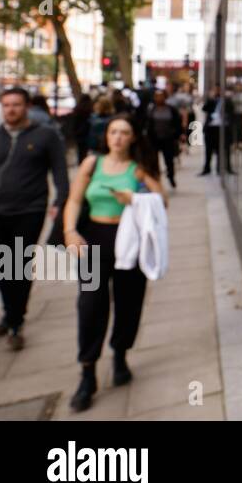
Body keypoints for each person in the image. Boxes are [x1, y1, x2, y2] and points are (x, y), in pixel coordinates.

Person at [61, 114, 166, 411]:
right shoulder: (91, 164)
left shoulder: (139, 168)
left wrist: (134, 197)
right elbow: (75, 200)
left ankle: (120, 354)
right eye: (113, 132)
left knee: (129, 301)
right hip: (93, 239)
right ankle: (88, 371)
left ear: (133, 137)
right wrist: (70, 231)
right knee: (90, 304)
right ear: (106, 136)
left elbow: (162, 200)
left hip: (128, 242)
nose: (118, 137)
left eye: (124, 132)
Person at [0, 87, 70, 350]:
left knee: (18, 265)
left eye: (16, 105)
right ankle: (9, 312)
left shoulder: (45, 135)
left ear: (27, 106)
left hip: (29, 209)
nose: (10, 110)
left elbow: (60, 170)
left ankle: (16, 321)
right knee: (2, 267)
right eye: (6, 105)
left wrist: (60, 202)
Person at [145, 89, 181, 188]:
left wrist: (177, 135)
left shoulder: (171, 109)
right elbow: (148, 124)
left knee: (169, 160)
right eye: (157, 96)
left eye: (161, 96)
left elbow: (177, 123)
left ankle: (171, 176)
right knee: (153, 161)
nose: (159, 98)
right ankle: (156, 179)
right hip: (154, 139)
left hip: (168, 138)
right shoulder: (151, 109)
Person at [199, 85, 235, 176]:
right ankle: (207, 168)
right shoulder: (211, 101)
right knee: (209, 150)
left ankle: (225, 168)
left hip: (223, 128)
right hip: (211, 128)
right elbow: (204, 108)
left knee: (224, 150)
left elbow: (232, 111)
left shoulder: (227, 101)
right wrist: (211, 98)